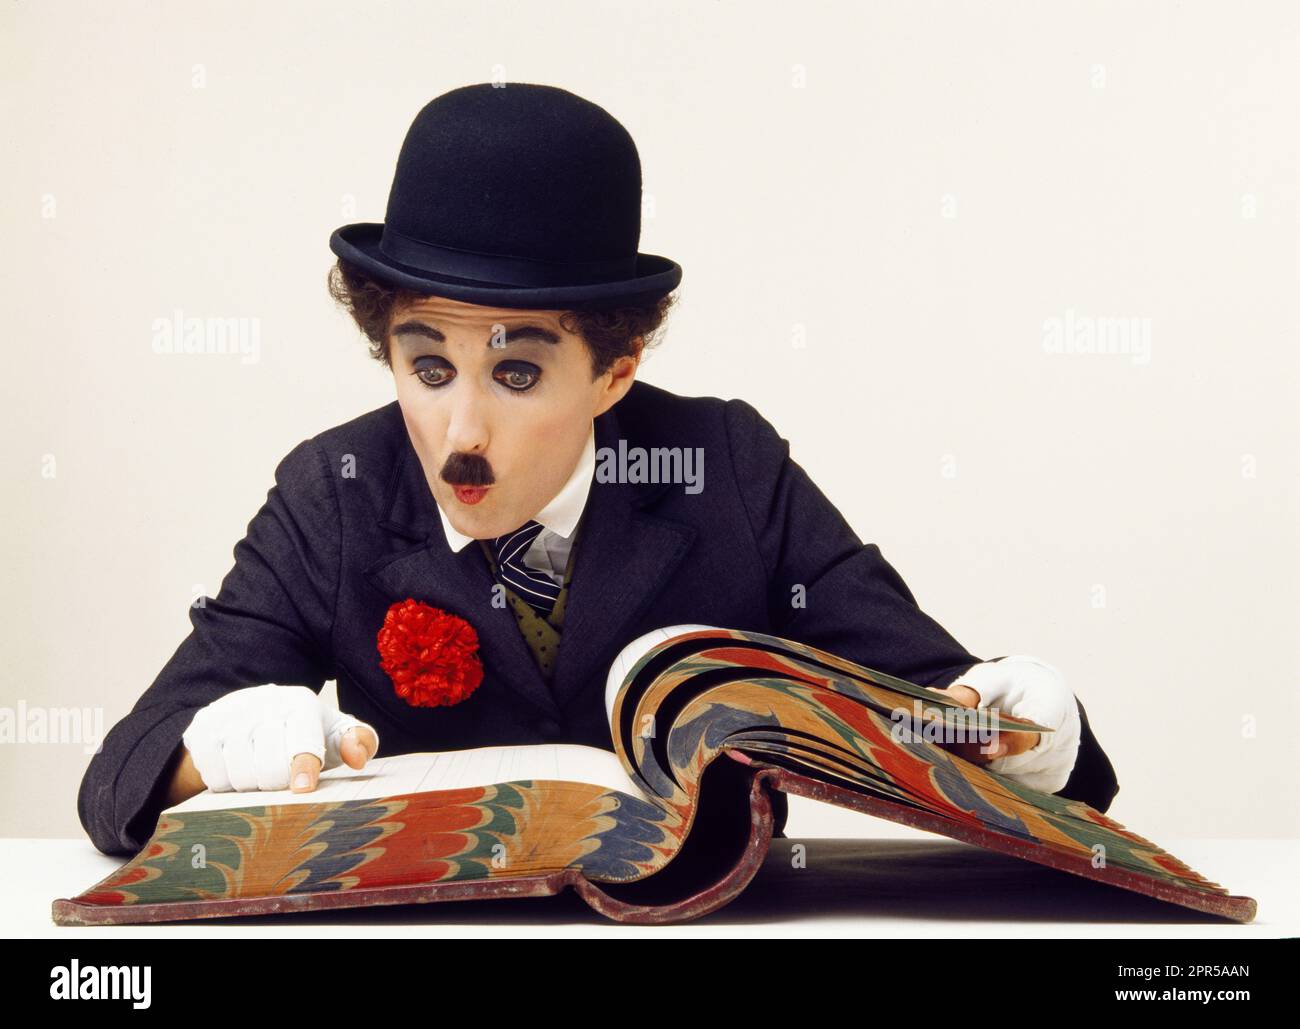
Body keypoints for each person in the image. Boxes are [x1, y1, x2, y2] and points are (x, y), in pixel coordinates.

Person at [77, 82, 1118, 857]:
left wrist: (1016, 722)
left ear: (614, 371)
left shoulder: (724, 469)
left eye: (518, 370)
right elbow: (118, 777)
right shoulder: (335, 491)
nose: (461, 429)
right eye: (426, 364)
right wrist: (218, 747)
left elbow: (937, 706)